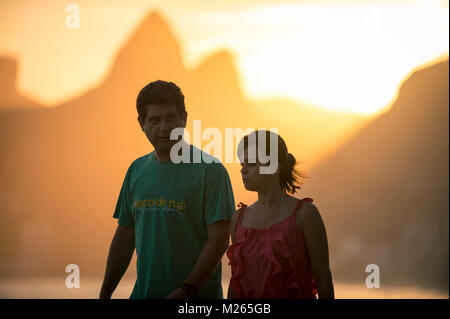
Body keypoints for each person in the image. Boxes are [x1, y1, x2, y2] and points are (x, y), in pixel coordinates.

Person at [99, 80, 235, 299]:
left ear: (184, 119)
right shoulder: (136, 170)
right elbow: (125, 235)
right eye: (154, 120)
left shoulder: (210, 171)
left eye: (171, 118)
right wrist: (105, 293)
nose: (164, 127)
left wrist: (187, 289)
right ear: (141, 123)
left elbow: (219, 241)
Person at [226, 130, 334, 299]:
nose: (243, 171)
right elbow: (236, 283)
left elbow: (323, 278)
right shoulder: (238, 219)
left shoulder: (305, 214)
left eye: (252, 163)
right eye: (242, 164)